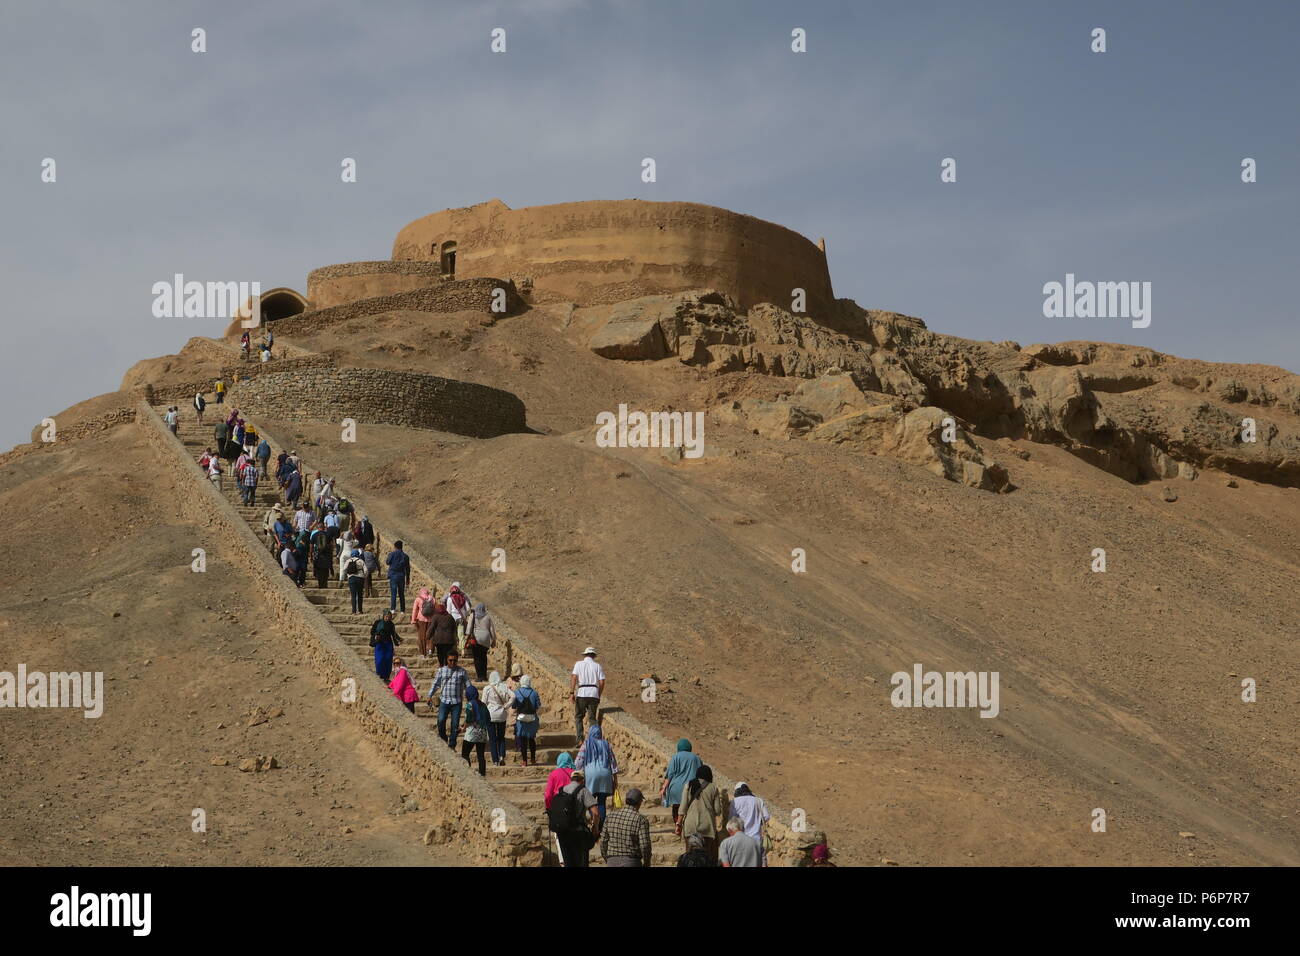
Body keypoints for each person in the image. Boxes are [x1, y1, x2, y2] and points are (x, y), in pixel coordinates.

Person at [550, 768, 598, 868]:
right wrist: (595, 828)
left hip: (563, 832)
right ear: (583, 780)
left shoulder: (561, 790)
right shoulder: (583, 790)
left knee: (568, 863)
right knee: (581, 862)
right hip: (578, 832)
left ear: (571, 779)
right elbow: (596, 813)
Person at [677, 764, 727, 862]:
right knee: (707, 856)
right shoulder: (713, 788)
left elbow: (683, 807)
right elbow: (717, 811)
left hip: (691, 826)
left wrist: (678, 823)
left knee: (689, 855)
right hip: (707, 826)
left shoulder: (688, 785)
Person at [575, 725, 619, 825]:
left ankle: (595, 822)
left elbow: (579, 761)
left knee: (591, 802)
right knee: (602, 802)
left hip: (591, 776)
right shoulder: (606, 744)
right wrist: (615, 780)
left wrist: (577, 773)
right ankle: (601, 825)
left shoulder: (586, 743)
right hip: (605, 775)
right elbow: (613, 762)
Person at [600, 787, 651, 867]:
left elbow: (603, 841)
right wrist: (647, 863)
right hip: (632, 861)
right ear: (639, 803)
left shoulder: (610, 816)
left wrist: (608, 859)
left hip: (612, 861)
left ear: (626, 801)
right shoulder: (641, 819)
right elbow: (645, 845)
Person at [427, 650, 468, 749]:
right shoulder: (442, 670)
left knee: (455, 724)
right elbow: (436, 684)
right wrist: (429, 695)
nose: (452, 662)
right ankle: (443, 738)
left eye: (455, 660)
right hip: (444, 701)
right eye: (450, 660)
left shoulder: (462, 671)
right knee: (440, 721)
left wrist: (471, 698)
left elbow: (468, 685)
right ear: (447, 660)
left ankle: (452, 744)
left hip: (457, 702)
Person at [661, 739, 703, 824]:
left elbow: (670, 775)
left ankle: (677, 825)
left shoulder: (675, 757)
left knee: (676, 807)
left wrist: (664, 788)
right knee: (689, 809)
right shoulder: (697, 758)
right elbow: (701, 774)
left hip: (676, 788)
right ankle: (687, 826)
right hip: (691, 789)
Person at [570, 646, 605, 747]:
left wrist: (572, 693)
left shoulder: (578, 664)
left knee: (578, 717)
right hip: (593, 693)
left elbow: (574, 677)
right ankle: (593, 740)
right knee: (592, 718)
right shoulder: (597, 666)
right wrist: (598, 694)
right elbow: (602, 682)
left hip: (582, 692)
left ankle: (580, 739)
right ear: (594, 656)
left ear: (585, 655)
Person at [730, 782, 771, 866]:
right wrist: (757, 823)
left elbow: (731, 821)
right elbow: (766, 816)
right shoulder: (758, 800)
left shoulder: (735, 802)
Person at [482, 670, 513, 767]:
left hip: (490, 715)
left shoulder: (487, 688)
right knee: (501, 737)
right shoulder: (504, 686)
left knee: (492, 739)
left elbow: (483, 703)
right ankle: (501, 756)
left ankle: (495, 760)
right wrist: (507, 705)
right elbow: (514, 696)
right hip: (502, 715)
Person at [511, 675, 541, 766]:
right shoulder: (534, 693)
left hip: (521, 719)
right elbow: (538, 705)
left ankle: (524, 761)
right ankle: (533, 759)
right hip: (532, 718)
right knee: (532, 739)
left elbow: (514, 706)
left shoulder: (517, 692)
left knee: (523, 740)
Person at [461, 683, 490, 777]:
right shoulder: (483, 705)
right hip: (482, 732)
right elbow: (488, 718)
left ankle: (468, 774)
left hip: (472, 732)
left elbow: (469, 719)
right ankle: (482, 775)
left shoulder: (469, 704)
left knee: (465, 754)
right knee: (481, 755)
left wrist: (463, 728)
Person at [464, 602, 495, 680]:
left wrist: (467, 637)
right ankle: (484, 676)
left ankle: (479, 676)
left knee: (477, 658)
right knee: (483, 657)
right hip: (486, 639)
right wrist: (493, 640)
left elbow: (469, 627)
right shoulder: (488, 617)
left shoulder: (473, 615)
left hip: (476, 638)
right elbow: (492, 629)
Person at [369, 609, 400, 681]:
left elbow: (393, 634)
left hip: (388, 644)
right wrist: (376, 635)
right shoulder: (377, 623)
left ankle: (386, 676)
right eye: (386, 616)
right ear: (383, 616)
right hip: (380, 644)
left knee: (388, 660)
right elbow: (372, 631)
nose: (387, 618)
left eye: (389, 617)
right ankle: (379, 674)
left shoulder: (391, 624)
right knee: (379, 660)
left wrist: (397, 642)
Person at [429, 601, 458, 667]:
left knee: (440, 653)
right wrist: (455, 637)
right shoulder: (450, 617)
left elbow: (432, 627)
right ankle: (447, 665)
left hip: (439, 640)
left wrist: (428, 636)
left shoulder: (435, 617)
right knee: (447, 653)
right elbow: (454, 627)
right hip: (449, 639)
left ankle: (442, 665)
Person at [445, 583, 470, 652]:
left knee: (454, 634)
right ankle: (462, 650)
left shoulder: (450, 599)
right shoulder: (463, 598)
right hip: (461, 619)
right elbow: (468, 609)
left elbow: (448, 611)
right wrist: (465, 615)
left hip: (453, 619)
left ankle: (454, 649)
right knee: (461, 635)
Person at [411, 587, 436, 658]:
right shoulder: (433, 599)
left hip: (421, 620)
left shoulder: (418, 599)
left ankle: (423, 653)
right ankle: (430, 650)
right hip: (431, 620)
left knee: (421, 636)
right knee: (430, 636)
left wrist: (413, 620)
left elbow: (415, 610)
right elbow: (434, 610)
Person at [386, 540, 410, 612]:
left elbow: (387, 562)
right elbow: (407, 568)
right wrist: (408, 578)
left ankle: (393, 609)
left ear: (395, 546)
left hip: (393, 575)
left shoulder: (392, 554)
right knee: (401, 593)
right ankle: (402, 610)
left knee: (393, 592)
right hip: (401, 575)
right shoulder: (405, 556)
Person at [311, 523, 334, 589]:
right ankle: (325, 584)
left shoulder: (314, 535)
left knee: (318, 570)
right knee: (325, 570)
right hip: (326, 555)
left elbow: (311, 546)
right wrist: (331, 553)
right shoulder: (328, 534)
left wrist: (311, 555)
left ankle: (320, 584)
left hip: (317, 555)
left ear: (318, 528)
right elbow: (331, 545)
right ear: (324, 528)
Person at [343, 548, 366, 614]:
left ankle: (353, 611)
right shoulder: (361, 561)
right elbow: (366, 570)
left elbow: (344, 569)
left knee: (353, 595)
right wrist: (364, 576)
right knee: (359, 595)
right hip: (360, 578)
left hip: (352, 578)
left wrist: (348, 575)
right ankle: (360, 610)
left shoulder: (348, 561)